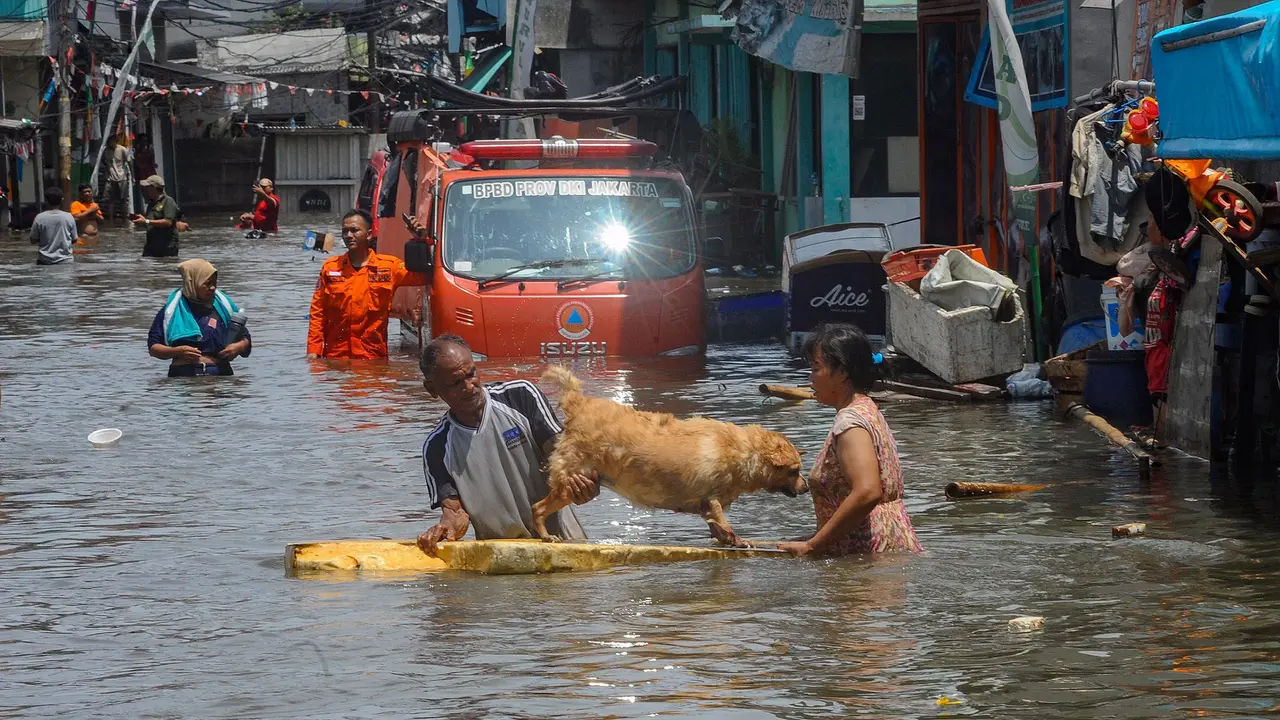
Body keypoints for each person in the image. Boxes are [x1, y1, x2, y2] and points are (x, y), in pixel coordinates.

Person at [416, 335, 599, 554]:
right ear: (432, 389)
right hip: (501, 561)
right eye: (456, 383)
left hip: (563, 545)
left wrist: (582, 484)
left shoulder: (520, 397)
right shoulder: (436, 448)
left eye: (472, 374)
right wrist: (445, 529)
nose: (470, 386)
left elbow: (563, 457)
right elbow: (455, 514)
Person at [778, 324, 923, 557]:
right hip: (889, 543)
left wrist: (813, 545)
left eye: (816, 369)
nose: (810, 378)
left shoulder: (850, 424)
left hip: (868, 554)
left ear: (843, 373)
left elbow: (867, 492)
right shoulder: (868, 409)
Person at [306, 209, 428, 359]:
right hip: (336, 358)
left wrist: (421, 242)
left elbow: (423, 277)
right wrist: (313, 351)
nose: (348, 235)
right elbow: (317, 312)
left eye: (354, 230)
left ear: (369, 234)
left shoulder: (389, 267)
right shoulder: (330, 268)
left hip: (372, 358)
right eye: (345, 231)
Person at [147, 258, 251, 377]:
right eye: (207, 284)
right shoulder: (171, 311)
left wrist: (238, 347)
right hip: (183, 380)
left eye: (214, 283)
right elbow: (153, 347)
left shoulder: (224, 308)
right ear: (193, 282)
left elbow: (245, 338)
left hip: (220, 379)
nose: (212, 288)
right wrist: (177, 351)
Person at [131, 175, 181, 257]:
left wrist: (146, 221)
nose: (145, 190)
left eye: (147, 187)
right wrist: (142, 221)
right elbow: (151, 224)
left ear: (154, 188)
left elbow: (168, 222)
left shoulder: (168, 201)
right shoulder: (152, 203)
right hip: (151, 246)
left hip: (166, 247)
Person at [28, 187, 77, 266]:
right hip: (66, 262)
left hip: (44, 262)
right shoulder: (69, 217)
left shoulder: (39, 217)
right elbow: (74, 239)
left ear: (46, 201)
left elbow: (33, 240)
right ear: (61, 200)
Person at [106, 136, 132, 221]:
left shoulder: (122, 149)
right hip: (111, 178)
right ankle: (111, 219)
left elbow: (129, 162)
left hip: (122, 177)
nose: (110, 144)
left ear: (115, 141)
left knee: (123, 200)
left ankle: (125, 219)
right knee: (110, 200)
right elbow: (105, 162)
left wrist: (132, 176)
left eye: (111, 142)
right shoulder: (106, 151)